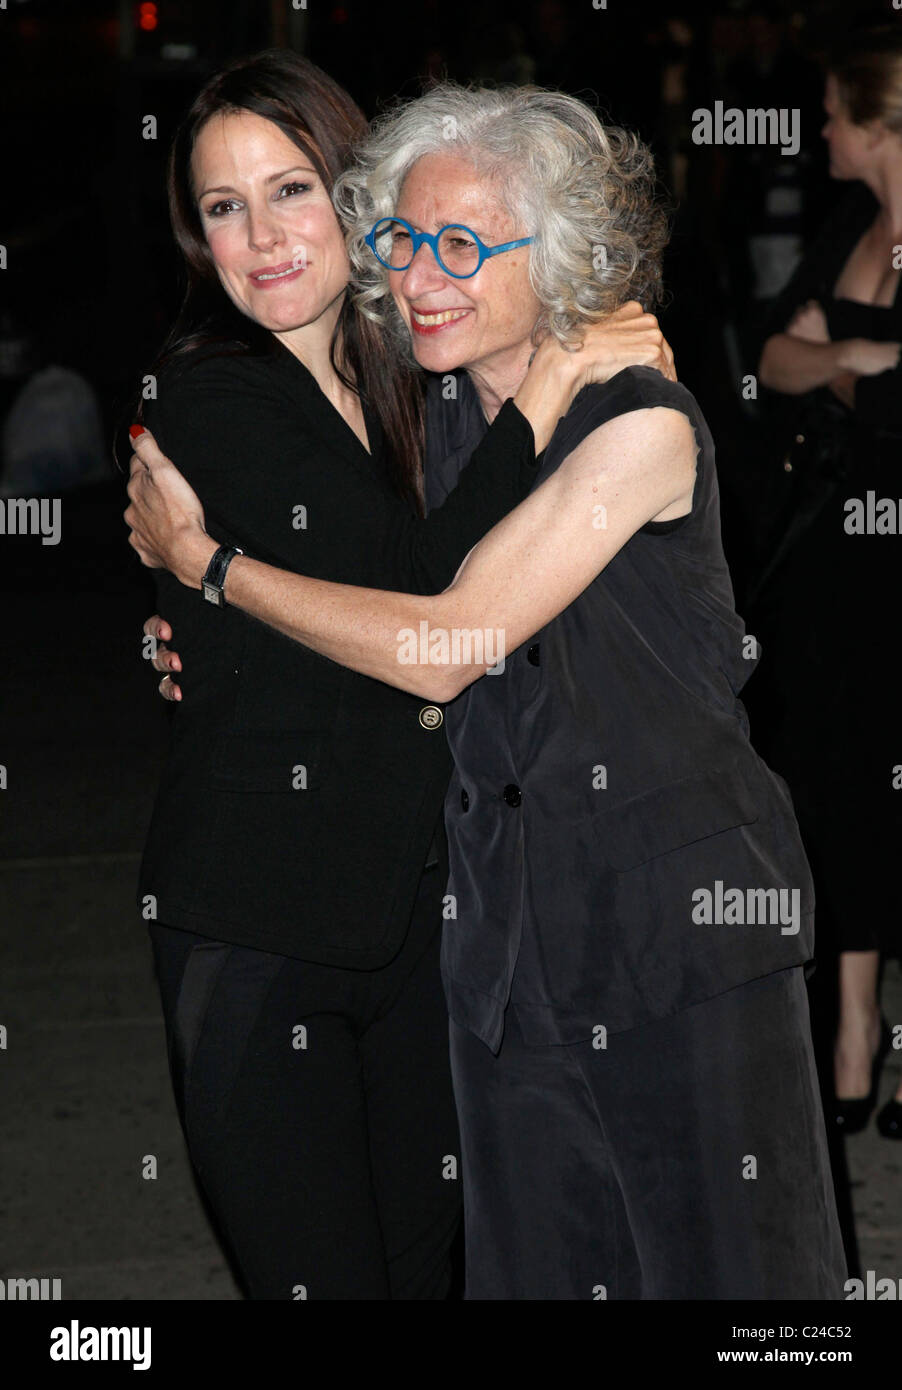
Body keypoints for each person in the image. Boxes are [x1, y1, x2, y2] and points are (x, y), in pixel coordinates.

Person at [127, 81, 847, 1299]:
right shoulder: (430, 408)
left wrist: (211, 573)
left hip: (673, 935)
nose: (420, 276)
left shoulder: (628, 420)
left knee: (738, 1279)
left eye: (460, 245)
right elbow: (375, 571)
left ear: (555, 253)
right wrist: (191, 612)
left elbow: (443, 637)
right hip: (491, 958)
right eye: (406, 241)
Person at [756, 21, 902, 1142]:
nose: (817, 132)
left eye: (830, 114)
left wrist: (835, 363)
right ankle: (850, 1035)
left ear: (875, 122)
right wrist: (866, 359)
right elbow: (770, 358)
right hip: (834, 562)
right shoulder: (853, 223)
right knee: (836, 781)